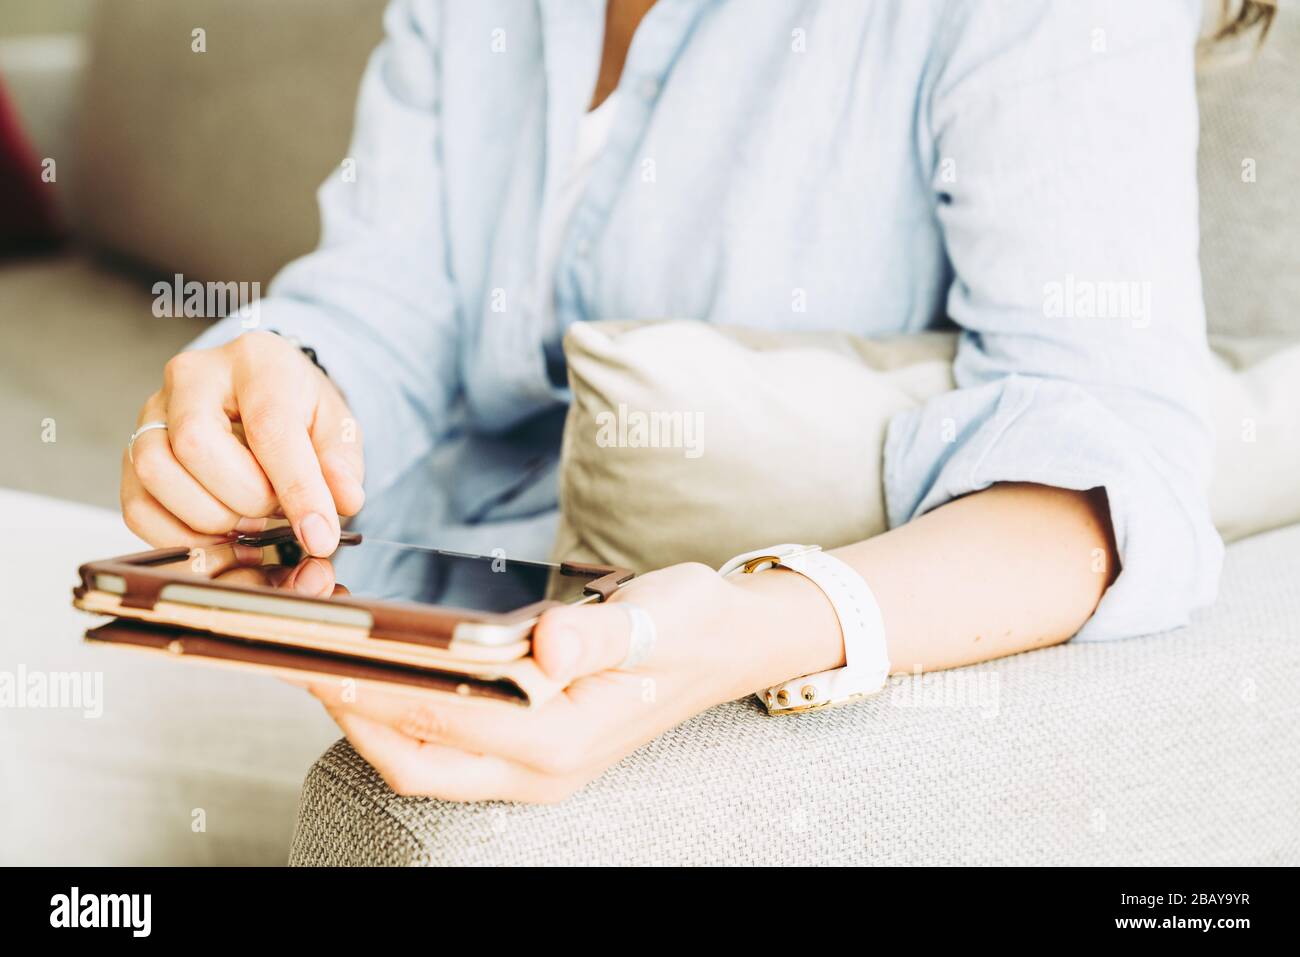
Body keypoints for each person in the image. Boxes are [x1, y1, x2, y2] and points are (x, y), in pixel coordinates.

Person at [119, 0, 1273, 802]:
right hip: (404, 597)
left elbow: (1111, 470)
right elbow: (390, 291)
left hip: (656, 665)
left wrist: (747, 634)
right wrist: (272, 372)